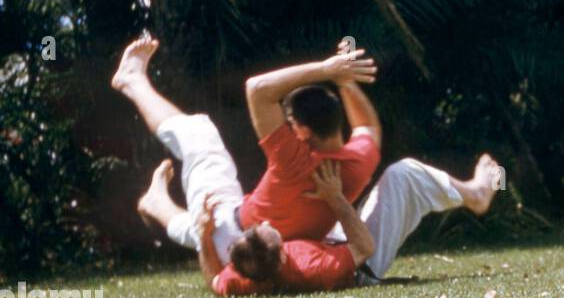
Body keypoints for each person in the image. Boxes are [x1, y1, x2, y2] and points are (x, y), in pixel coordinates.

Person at [113, 34, 379, 278]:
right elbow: (367, 126)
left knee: (198, 133)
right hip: (268, 247)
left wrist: (328, 70)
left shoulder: (293, 161)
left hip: (236, 242)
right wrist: (347, 84)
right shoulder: (361, 161)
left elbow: (257, 88)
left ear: (303, 130)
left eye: (289, 121)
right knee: (199, 223)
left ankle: (131, 81)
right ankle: (156, 204)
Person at [136, 152, 503, 296]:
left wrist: (203, 236)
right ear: (282, 257)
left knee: (214, 230)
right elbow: (363, 248)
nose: (263, 221)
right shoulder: (313, 267)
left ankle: (157, 204)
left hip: (327, 242)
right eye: (267, 229)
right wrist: (334, 197)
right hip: (361, 262)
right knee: (403, 175)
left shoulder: (243, 274)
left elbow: (214, 280)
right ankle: (477, 194)